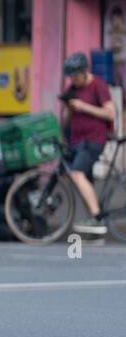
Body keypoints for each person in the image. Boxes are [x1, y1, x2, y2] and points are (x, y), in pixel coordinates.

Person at [60, 52, 116, 235]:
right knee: (85, 182)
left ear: (84, 72)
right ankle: (93, 230)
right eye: (70, 76)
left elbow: (110, 113)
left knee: (76, 173)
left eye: (75, 76)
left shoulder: (97, 85)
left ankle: (96, 217)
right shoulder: (73, 89)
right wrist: (69, 108)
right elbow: (67, 119)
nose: (73, 80)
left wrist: (84, 107)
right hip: (77, 140)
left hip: (93, 140)